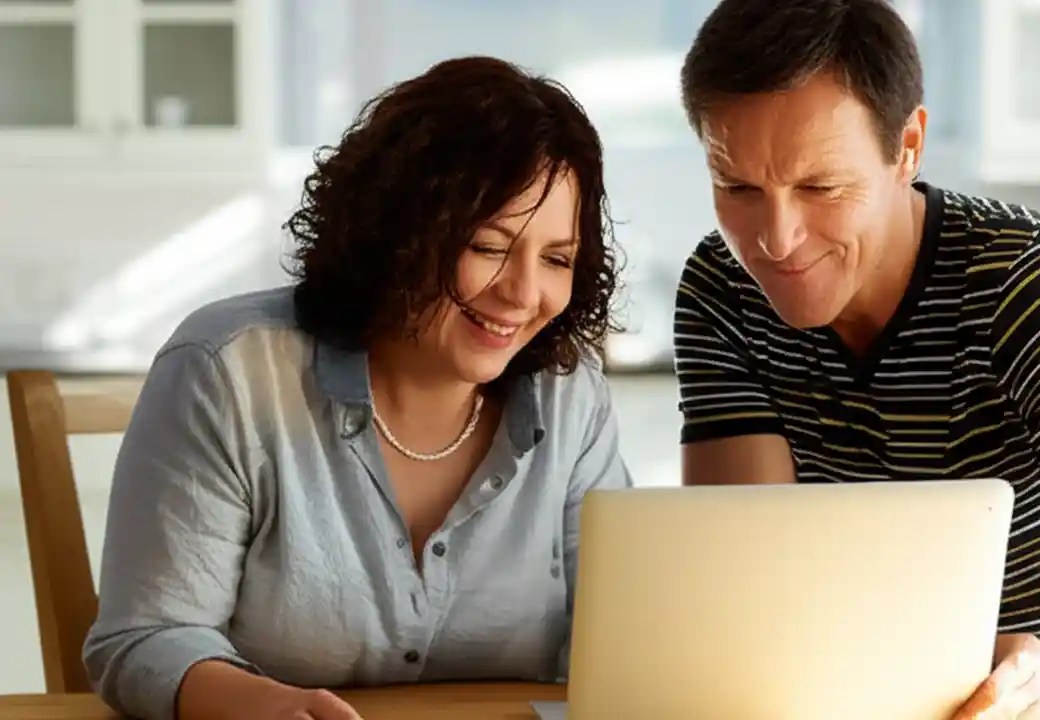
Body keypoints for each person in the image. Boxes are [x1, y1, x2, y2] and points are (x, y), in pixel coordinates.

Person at [671, 1, 1040, 717]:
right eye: (737, 188)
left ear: (908, 146)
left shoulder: (1039, 284)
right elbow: (751, 586)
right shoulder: (722, 288)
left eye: (821, 187)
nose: (776, 239)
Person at [83, 56, 631, 720]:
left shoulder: (571, 396)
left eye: (556, 259)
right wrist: (264, 707)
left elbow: (627, 637)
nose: (522, 294)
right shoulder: (229, 371)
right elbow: (147, 638)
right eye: (488, 246)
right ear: (400, 231)